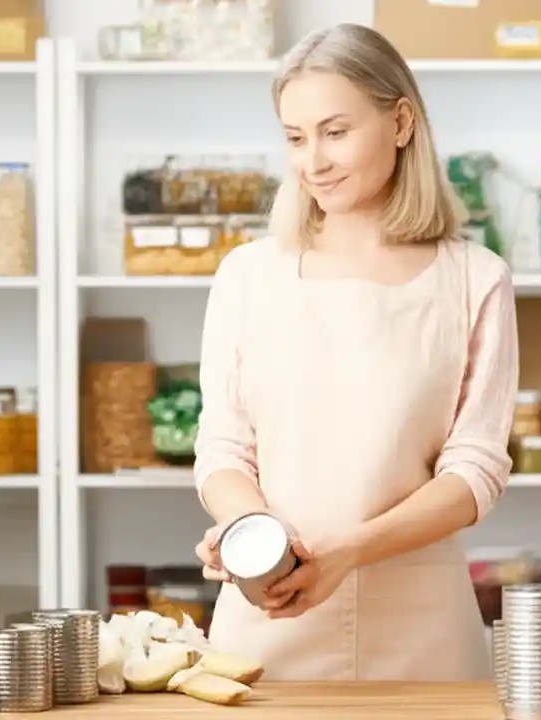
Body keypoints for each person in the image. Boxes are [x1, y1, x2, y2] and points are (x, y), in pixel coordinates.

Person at [192, 22, 519, 682]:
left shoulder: (475, 278)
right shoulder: (248, 275)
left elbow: (475, 471)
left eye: (335, 131)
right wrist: (250, 532)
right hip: (269, 623)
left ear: (400, 123)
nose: (313, 160)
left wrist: (346, 550)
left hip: (423, 633)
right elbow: (224, 449)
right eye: (295, 137)